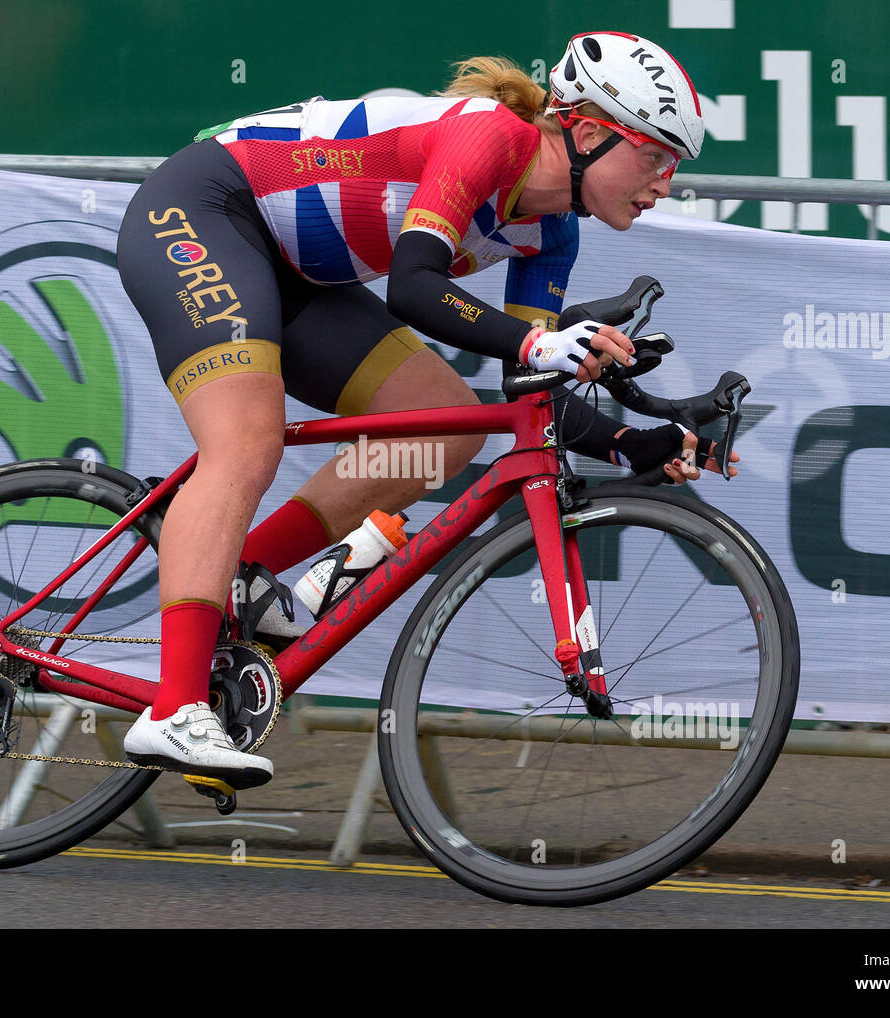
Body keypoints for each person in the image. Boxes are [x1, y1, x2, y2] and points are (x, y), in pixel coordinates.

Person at [116, 31, 737, 788]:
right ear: (588, 131)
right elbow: (413, 285)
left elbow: (532, 396)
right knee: (246, 441)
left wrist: (632, 444)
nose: (665, 183)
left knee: (441, 424)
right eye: (655, 157)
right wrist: (539, 346)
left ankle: (245, 577)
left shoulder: (552, 233)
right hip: (206, 209)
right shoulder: (489, 136)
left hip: (292, 271)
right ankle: (174, 709)